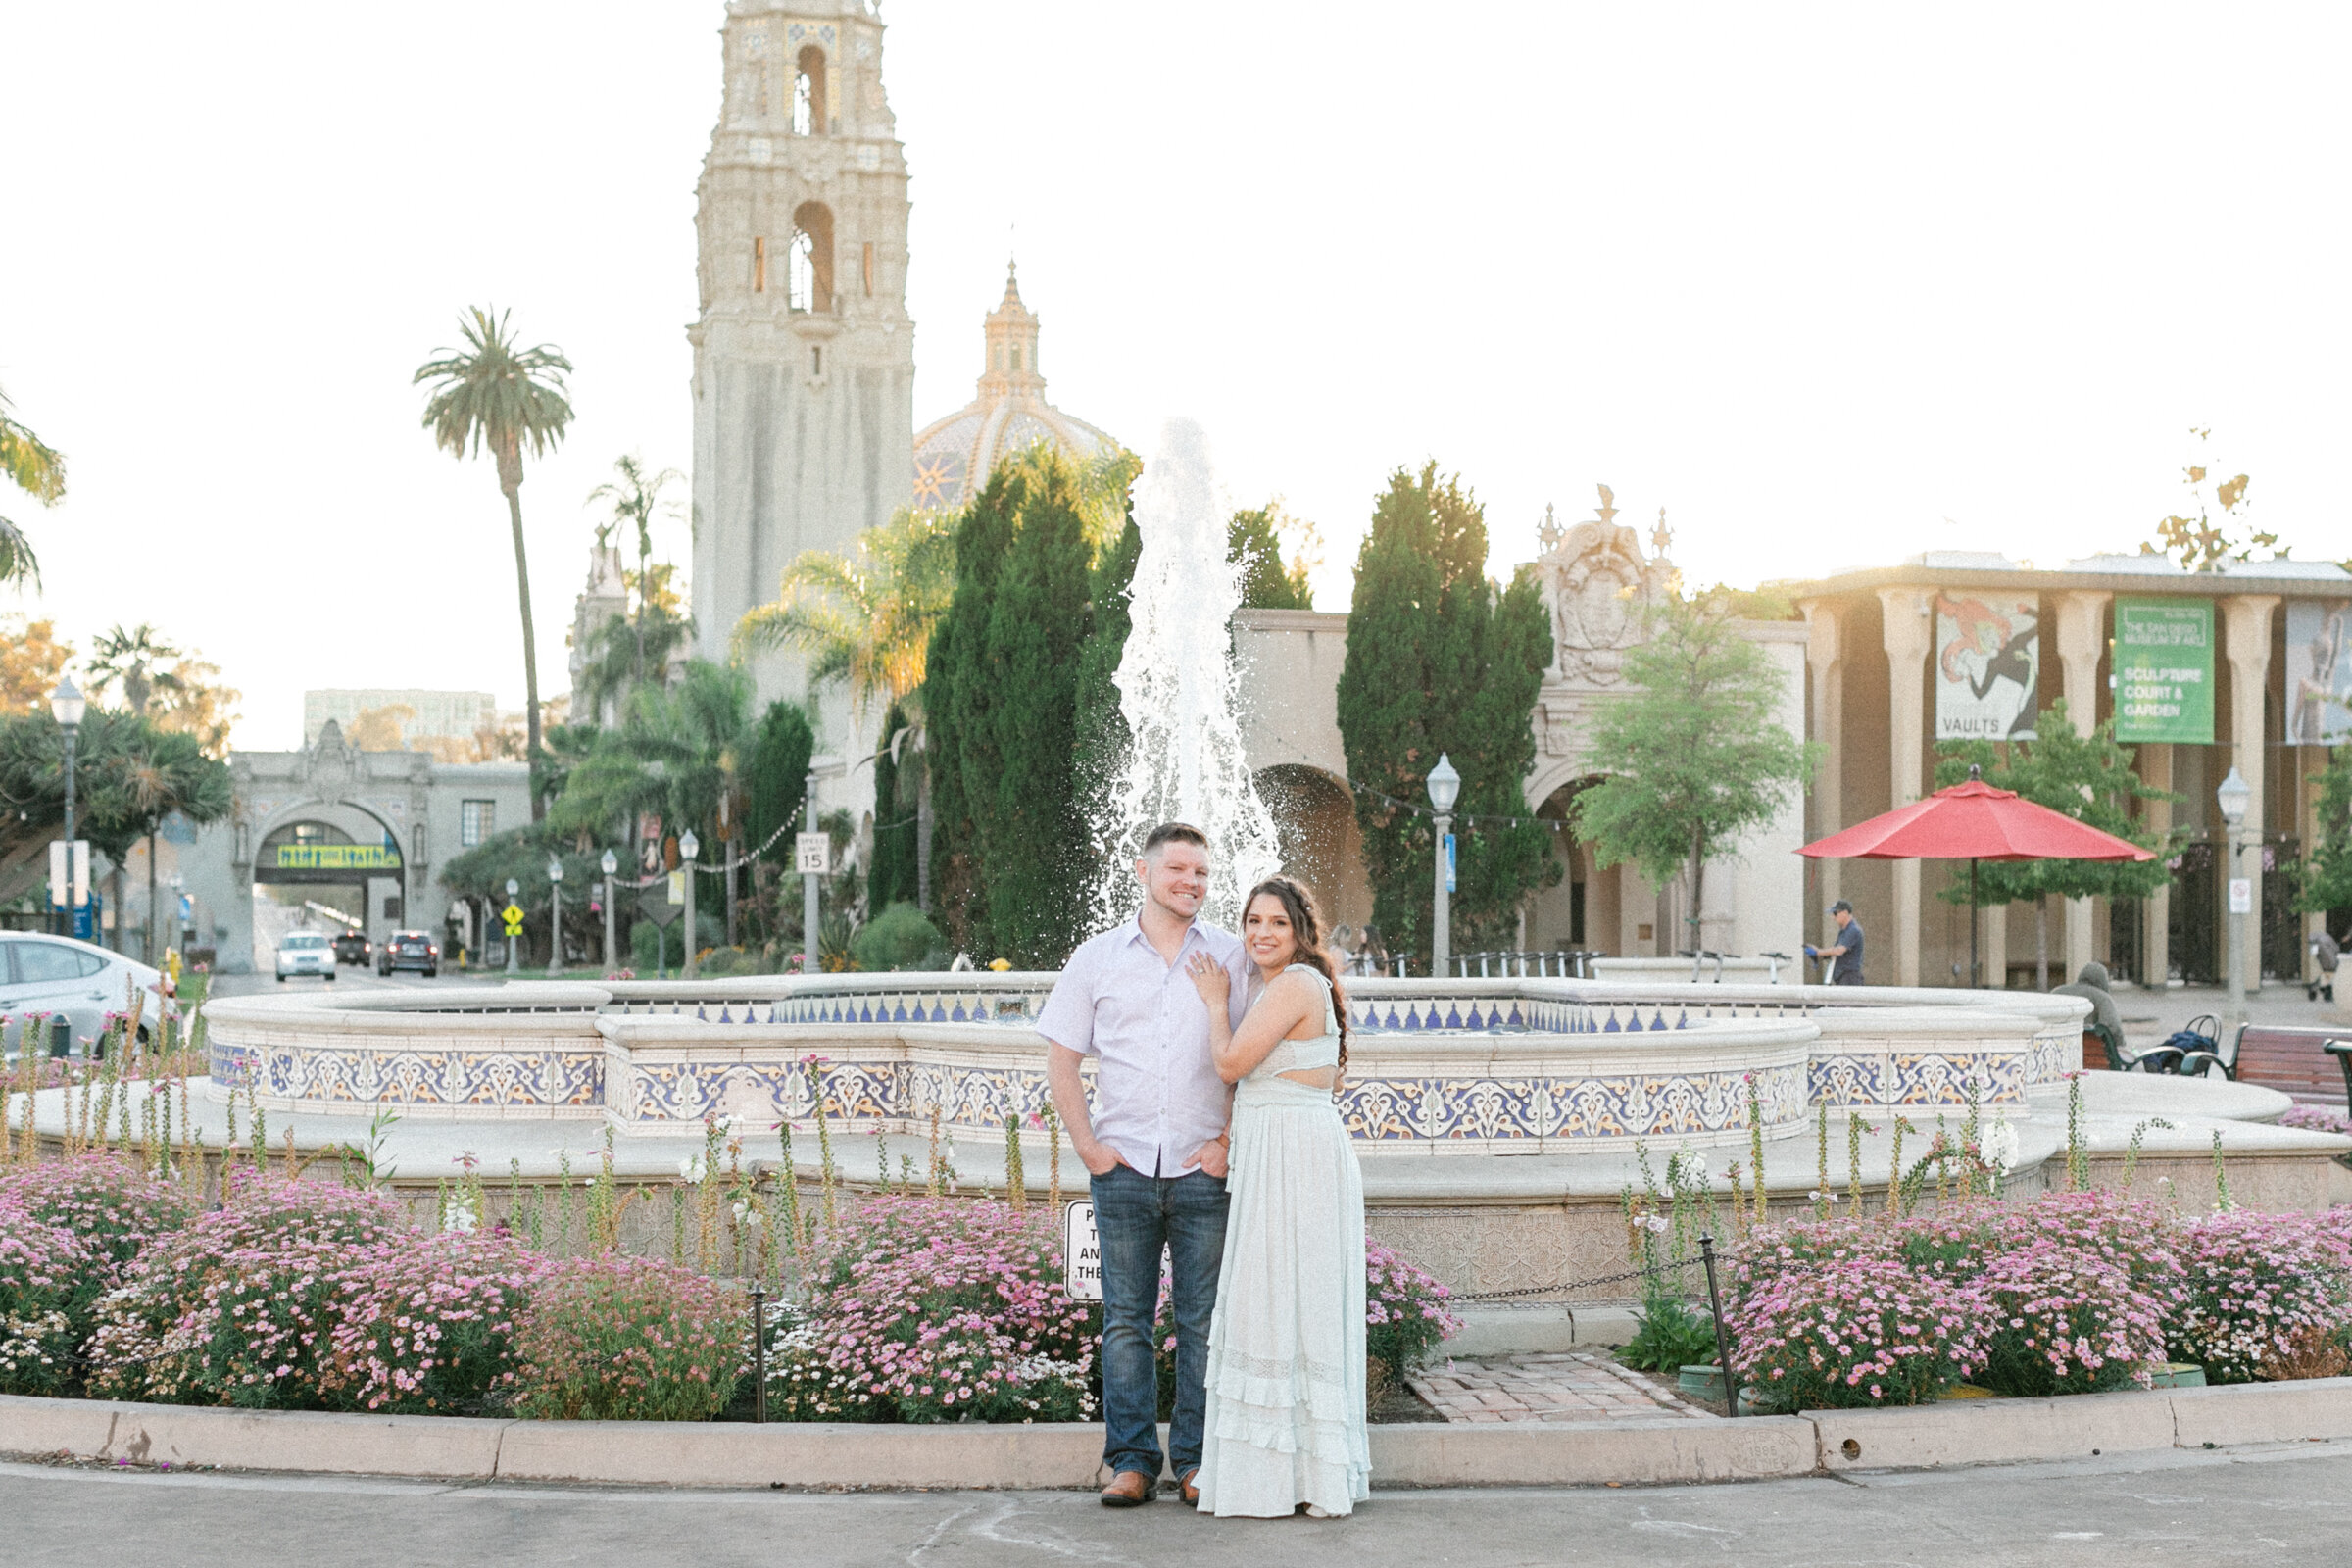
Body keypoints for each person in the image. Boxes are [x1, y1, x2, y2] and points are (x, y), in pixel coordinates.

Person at [1039, 822, 1250, 1509]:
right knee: (1126, 1321)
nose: (1191, 883)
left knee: (1201, 1323)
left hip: (1202, 1172)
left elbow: (1255, 1056)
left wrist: (1227, 1143)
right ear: (1143, 871)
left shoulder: (1230, 957)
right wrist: (1090, 1149)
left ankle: (1194, 1460)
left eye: (1202, 873)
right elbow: (1062, 1061)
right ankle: (1130, 1461)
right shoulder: (1096, 958)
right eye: (1178, 870)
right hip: (1123, 1169)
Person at [1184, 874, 1371, 1519]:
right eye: (1253, 921)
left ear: (1300, 932)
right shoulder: (1291, 984)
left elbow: (1230, 1064)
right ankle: (1295, 1475)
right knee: (1282, 1301)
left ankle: (1302, 1477)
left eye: (1277, 923)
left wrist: (1215, 1002)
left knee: (1286, 1301)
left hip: (1296, 1160)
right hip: (1287, 1154)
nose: (1262, 933)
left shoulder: (1293, 984)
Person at [1805, 901, 1865, 985]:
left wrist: (1818, 952)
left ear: (1845, 913)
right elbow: (1835, 953)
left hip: (1849, 977)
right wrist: (1820, 954)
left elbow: (1839, 951)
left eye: (1835, 913)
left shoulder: (1853, 930)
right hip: (1842, 976)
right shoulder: (1844, 931)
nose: (1833, 917)